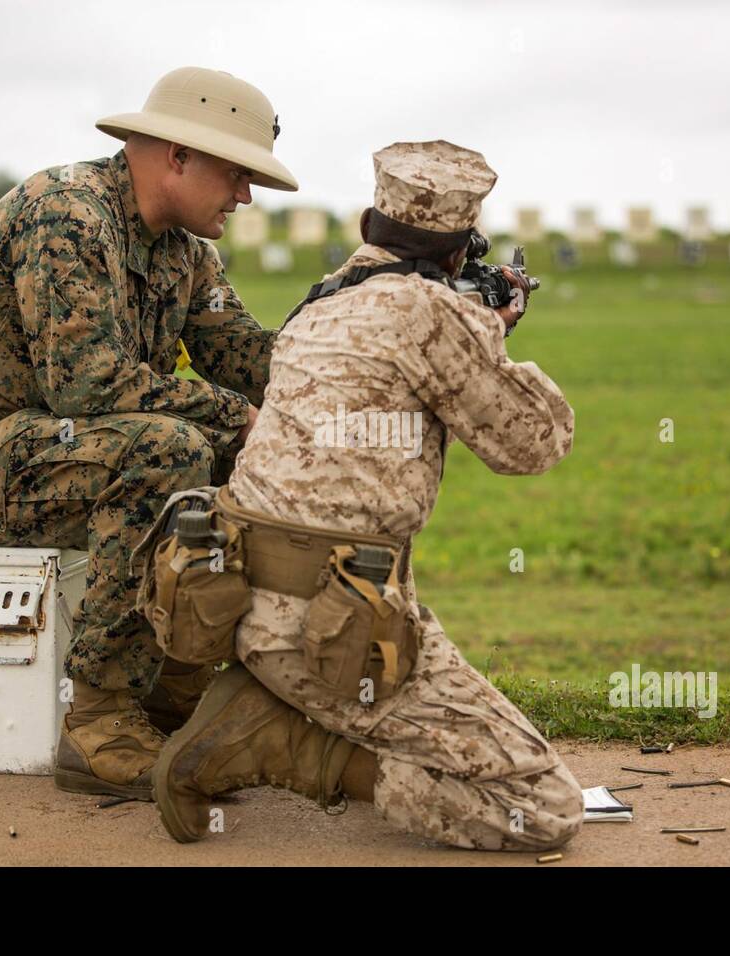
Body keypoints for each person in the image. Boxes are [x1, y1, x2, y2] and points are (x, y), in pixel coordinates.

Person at [151, 140, 584, 851]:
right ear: (458, 253)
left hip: (239, 601)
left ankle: (271, 703)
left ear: (365, 227)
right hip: (328, 629)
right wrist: (493, 338)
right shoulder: (438, 313)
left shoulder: (318, 304)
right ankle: (283, 744)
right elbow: (532, 445)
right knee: (540, 808)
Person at [0, 67, 297, 801]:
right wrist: (240, 419)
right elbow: (87, 383)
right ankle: (101, 720)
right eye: (235, 175)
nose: (245, 196)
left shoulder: (184, 251)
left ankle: (173, 693)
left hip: (49, 451)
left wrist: (369, 348)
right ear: (177, 155)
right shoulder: (68, 213)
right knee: (170, 450)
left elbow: (248, 359)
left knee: (232, 444)